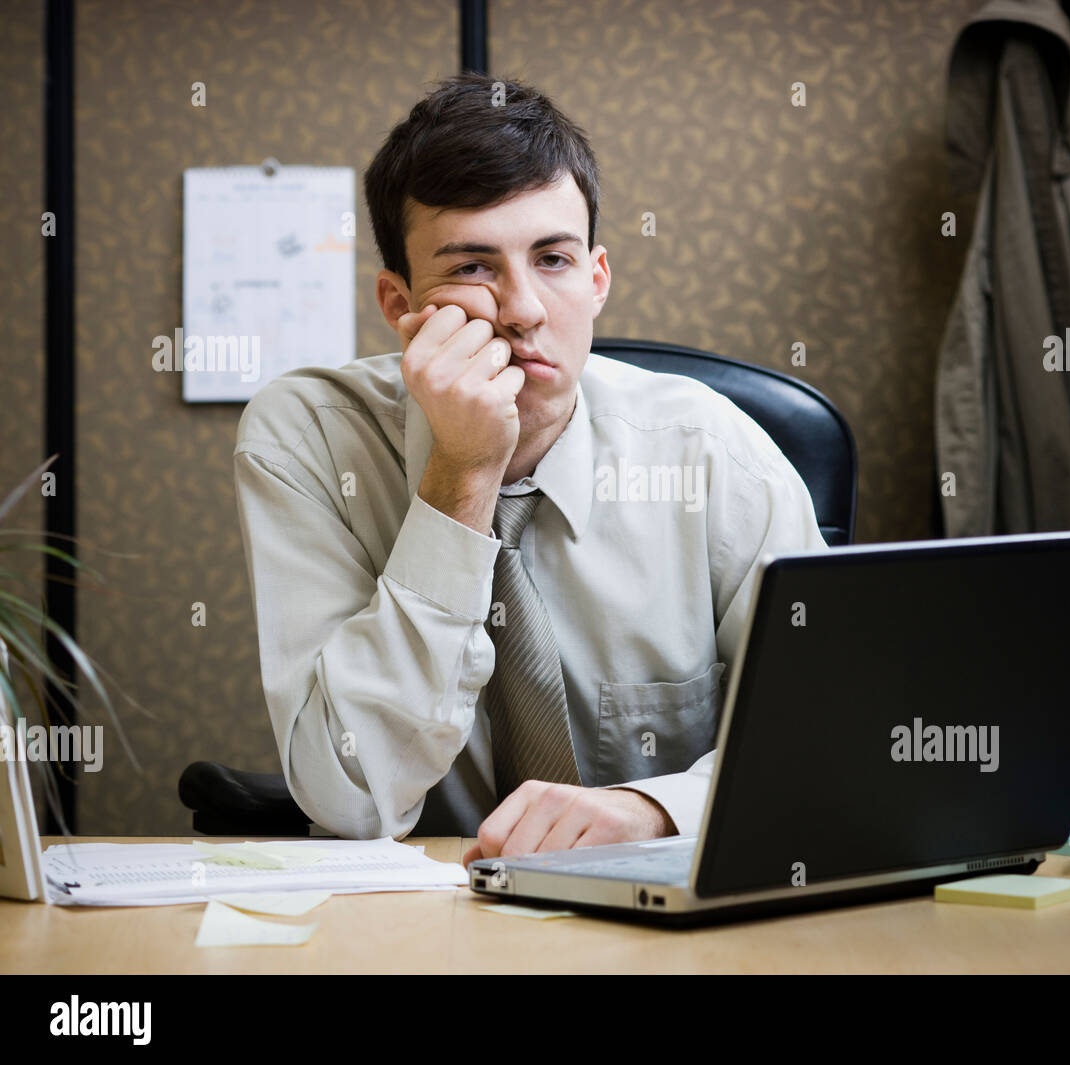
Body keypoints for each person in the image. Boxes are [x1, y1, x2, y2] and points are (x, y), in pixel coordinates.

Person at [232, 71, 826, 867]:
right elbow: (348, 795)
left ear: (597, 278)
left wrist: (655, 808)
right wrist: (463, 475)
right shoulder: (306, 439)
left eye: (552, 258)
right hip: (423, 925)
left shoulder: (712, 451)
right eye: (473, 267)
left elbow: (830, 736)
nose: (522, 309)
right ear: (398, 303)